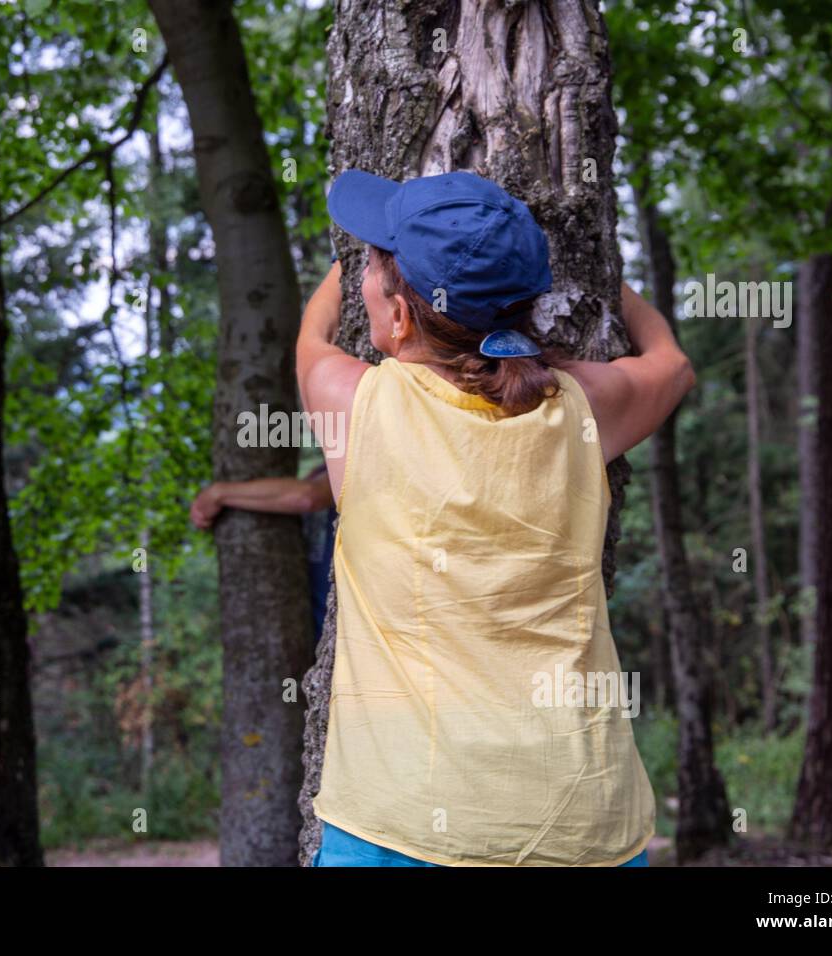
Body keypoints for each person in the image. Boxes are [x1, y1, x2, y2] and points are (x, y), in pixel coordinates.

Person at [298, 170, 696, 867]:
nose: (361, 275)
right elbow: (672, 364)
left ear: (395, 319)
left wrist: (336, 274)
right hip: (579, 821)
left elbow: (310, 341)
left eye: (372, 268)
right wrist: (616, 287)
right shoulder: (581, 408)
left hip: (404, 823)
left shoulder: (355, 403)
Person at [189, 463, 337, 644]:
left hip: (343, 639)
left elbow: (308, 497)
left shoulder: (354, 461)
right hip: (317, 635)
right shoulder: (321, 470)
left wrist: (218, 494)